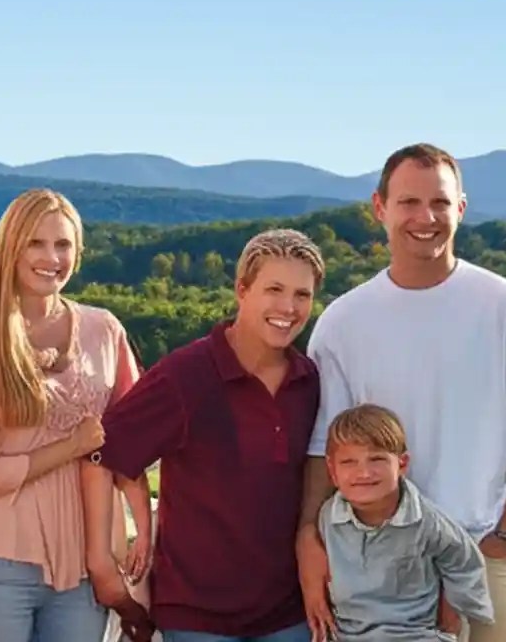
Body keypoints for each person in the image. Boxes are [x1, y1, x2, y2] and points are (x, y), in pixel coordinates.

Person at [296, 143, 506, 642]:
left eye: (440, 202)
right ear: (379, 208)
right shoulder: (344, 321)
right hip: (375, 563)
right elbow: (326, 446)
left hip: (482, 553)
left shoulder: (504, 305)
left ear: (462, 209)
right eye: (409, 202)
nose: (425, 217)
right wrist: (309, 535)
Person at [82, 228, 326, 642]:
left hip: (289, 615)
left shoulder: (310, 382)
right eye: (274, 289)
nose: (288, 307)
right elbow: (103, 452)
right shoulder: (186, 376)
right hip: (198, 617)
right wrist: (107, 561)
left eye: (302, 295)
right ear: (242, 290)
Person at [0, 188, 154, 642]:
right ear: (11, 248)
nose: (51, 257)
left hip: (81, 570)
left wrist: (144, 528)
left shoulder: (103, 330)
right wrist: (72, 447)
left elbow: (135, 441)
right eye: (35, 243)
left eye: (63, 245)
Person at [318, 403, 494, 641]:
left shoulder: (427, 520)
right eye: (349, 462)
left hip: (415, 634)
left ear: (402, 463)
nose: (364, 473)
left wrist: (455, 612)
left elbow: (464, 562)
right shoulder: (328, 517)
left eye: (376, 459)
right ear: (332, 470)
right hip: (350, 636)